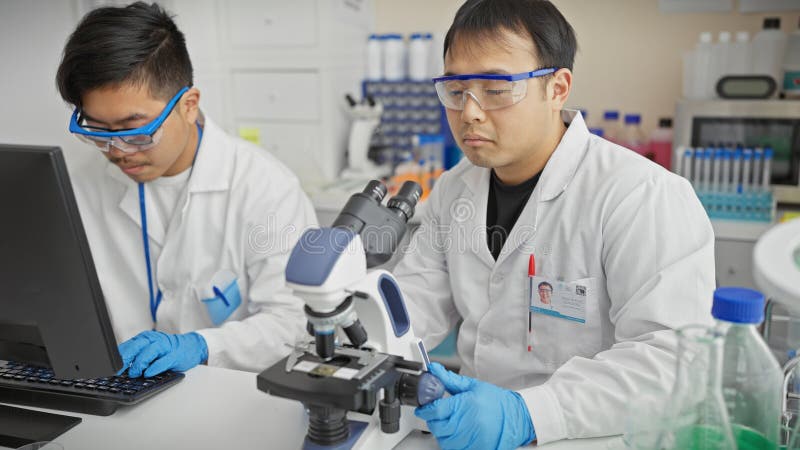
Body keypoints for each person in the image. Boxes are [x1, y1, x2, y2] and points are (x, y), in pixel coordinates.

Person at [392, 0, 715, 448]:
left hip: (591, 435)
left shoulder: (640, 195)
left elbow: (673, 363)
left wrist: (527, 414)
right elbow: (411, 309)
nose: (469, 112)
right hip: (471, 433)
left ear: (557, 88)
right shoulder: (454, 190)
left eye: (495, 88)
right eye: (456, 89)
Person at [55, 2, 316, 378]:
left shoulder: (267, 190)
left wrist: (201, 346)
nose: (116, 151)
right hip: (116, 392)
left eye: (135, 130)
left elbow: (294, 326)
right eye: (98, 131)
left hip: (230, 403)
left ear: (189, 105)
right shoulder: (78, 185)